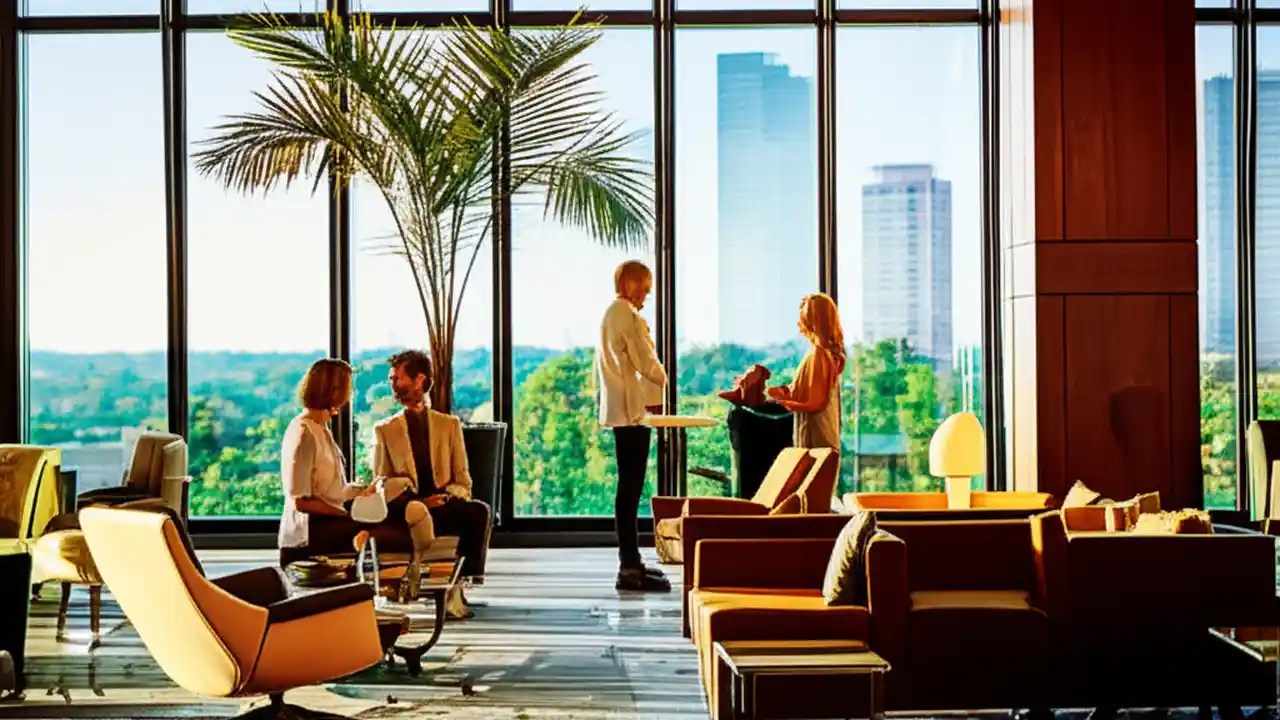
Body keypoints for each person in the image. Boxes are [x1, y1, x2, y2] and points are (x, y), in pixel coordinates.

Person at [278, 359, 438, 597]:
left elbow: (334, 490)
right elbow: (301, 501)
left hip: (328, 521)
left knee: (394, 517)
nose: (350, 393)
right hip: (310, 533)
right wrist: (348, 514)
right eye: (347, 387)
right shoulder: (303, 433)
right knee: (397, 533)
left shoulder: (321, 430)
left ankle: (391, 584)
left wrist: (363, 490)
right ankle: (393, 586)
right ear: (333, 390)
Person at [370, 349, 492, 594]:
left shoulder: (449, 425)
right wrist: (420, 502)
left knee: (479, 511)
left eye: (397, 378)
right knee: (400, 505)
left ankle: (463, 580)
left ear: (420, 380)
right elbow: (381, 484)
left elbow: (463, 480)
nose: (393, 385)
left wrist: (445, 497)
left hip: (442, 503)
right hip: (407, 508)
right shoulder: (385, 430)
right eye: (391, 379)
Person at [597, 260, 670, 592]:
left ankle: (632, 562)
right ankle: (628, 566)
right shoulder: (626, 315)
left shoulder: (612, 315)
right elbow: (645, 362)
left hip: (623, 411)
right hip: (632, 414)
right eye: (643, 288)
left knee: (628, 489)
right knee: (629, 490)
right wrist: (664, 378)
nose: (646, 295)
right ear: (627, 284)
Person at [767, 292, 846, 451]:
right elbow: (813, 391)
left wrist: (783, 401)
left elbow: (816, 402)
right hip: (822, 437)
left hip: (817, 439)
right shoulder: (823, 355)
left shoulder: (819, 355)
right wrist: (787, 391)